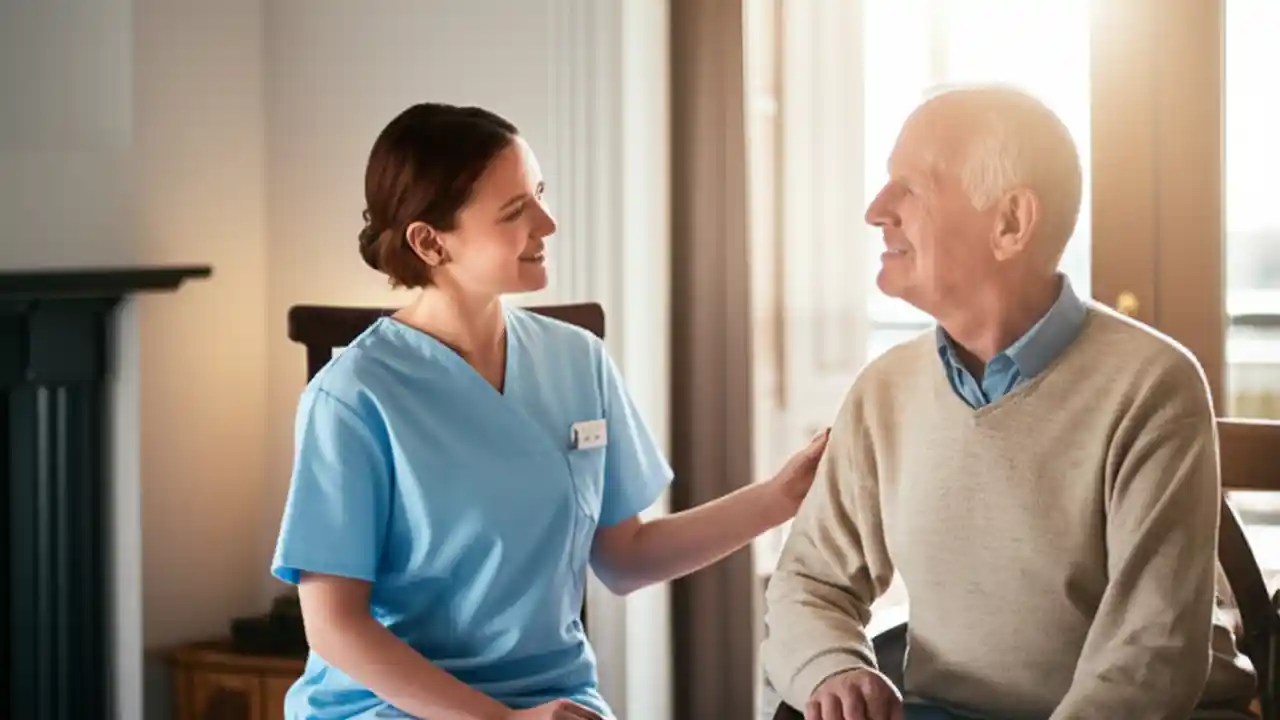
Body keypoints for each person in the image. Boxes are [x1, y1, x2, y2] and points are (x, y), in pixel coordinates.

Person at [270, 102, 828, 720]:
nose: (549, 222)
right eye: (515, 211)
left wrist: (781, 496)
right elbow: (335, 628)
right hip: (389, 707)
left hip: (556, 703)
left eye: (539, 193)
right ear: (430, 242)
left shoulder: (576, 360)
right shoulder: (353, 396)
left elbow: (627, 555)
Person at [761, 86, 1259, 720]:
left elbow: (1150, 655)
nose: (877, 211)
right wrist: (831, 667)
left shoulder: (1154, 383)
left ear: (1010, 223)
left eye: (911, 186)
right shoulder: (884, 390)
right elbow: (809, 582)